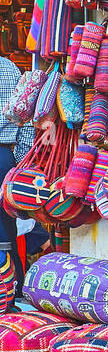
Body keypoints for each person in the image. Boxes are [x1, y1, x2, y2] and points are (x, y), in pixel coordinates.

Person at [0, 54, 35, 290]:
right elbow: (27, 120)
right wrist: (21, 163)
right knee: (5, 226)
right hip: (4, 158)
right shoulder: (9, 68)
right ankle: (11, 290)